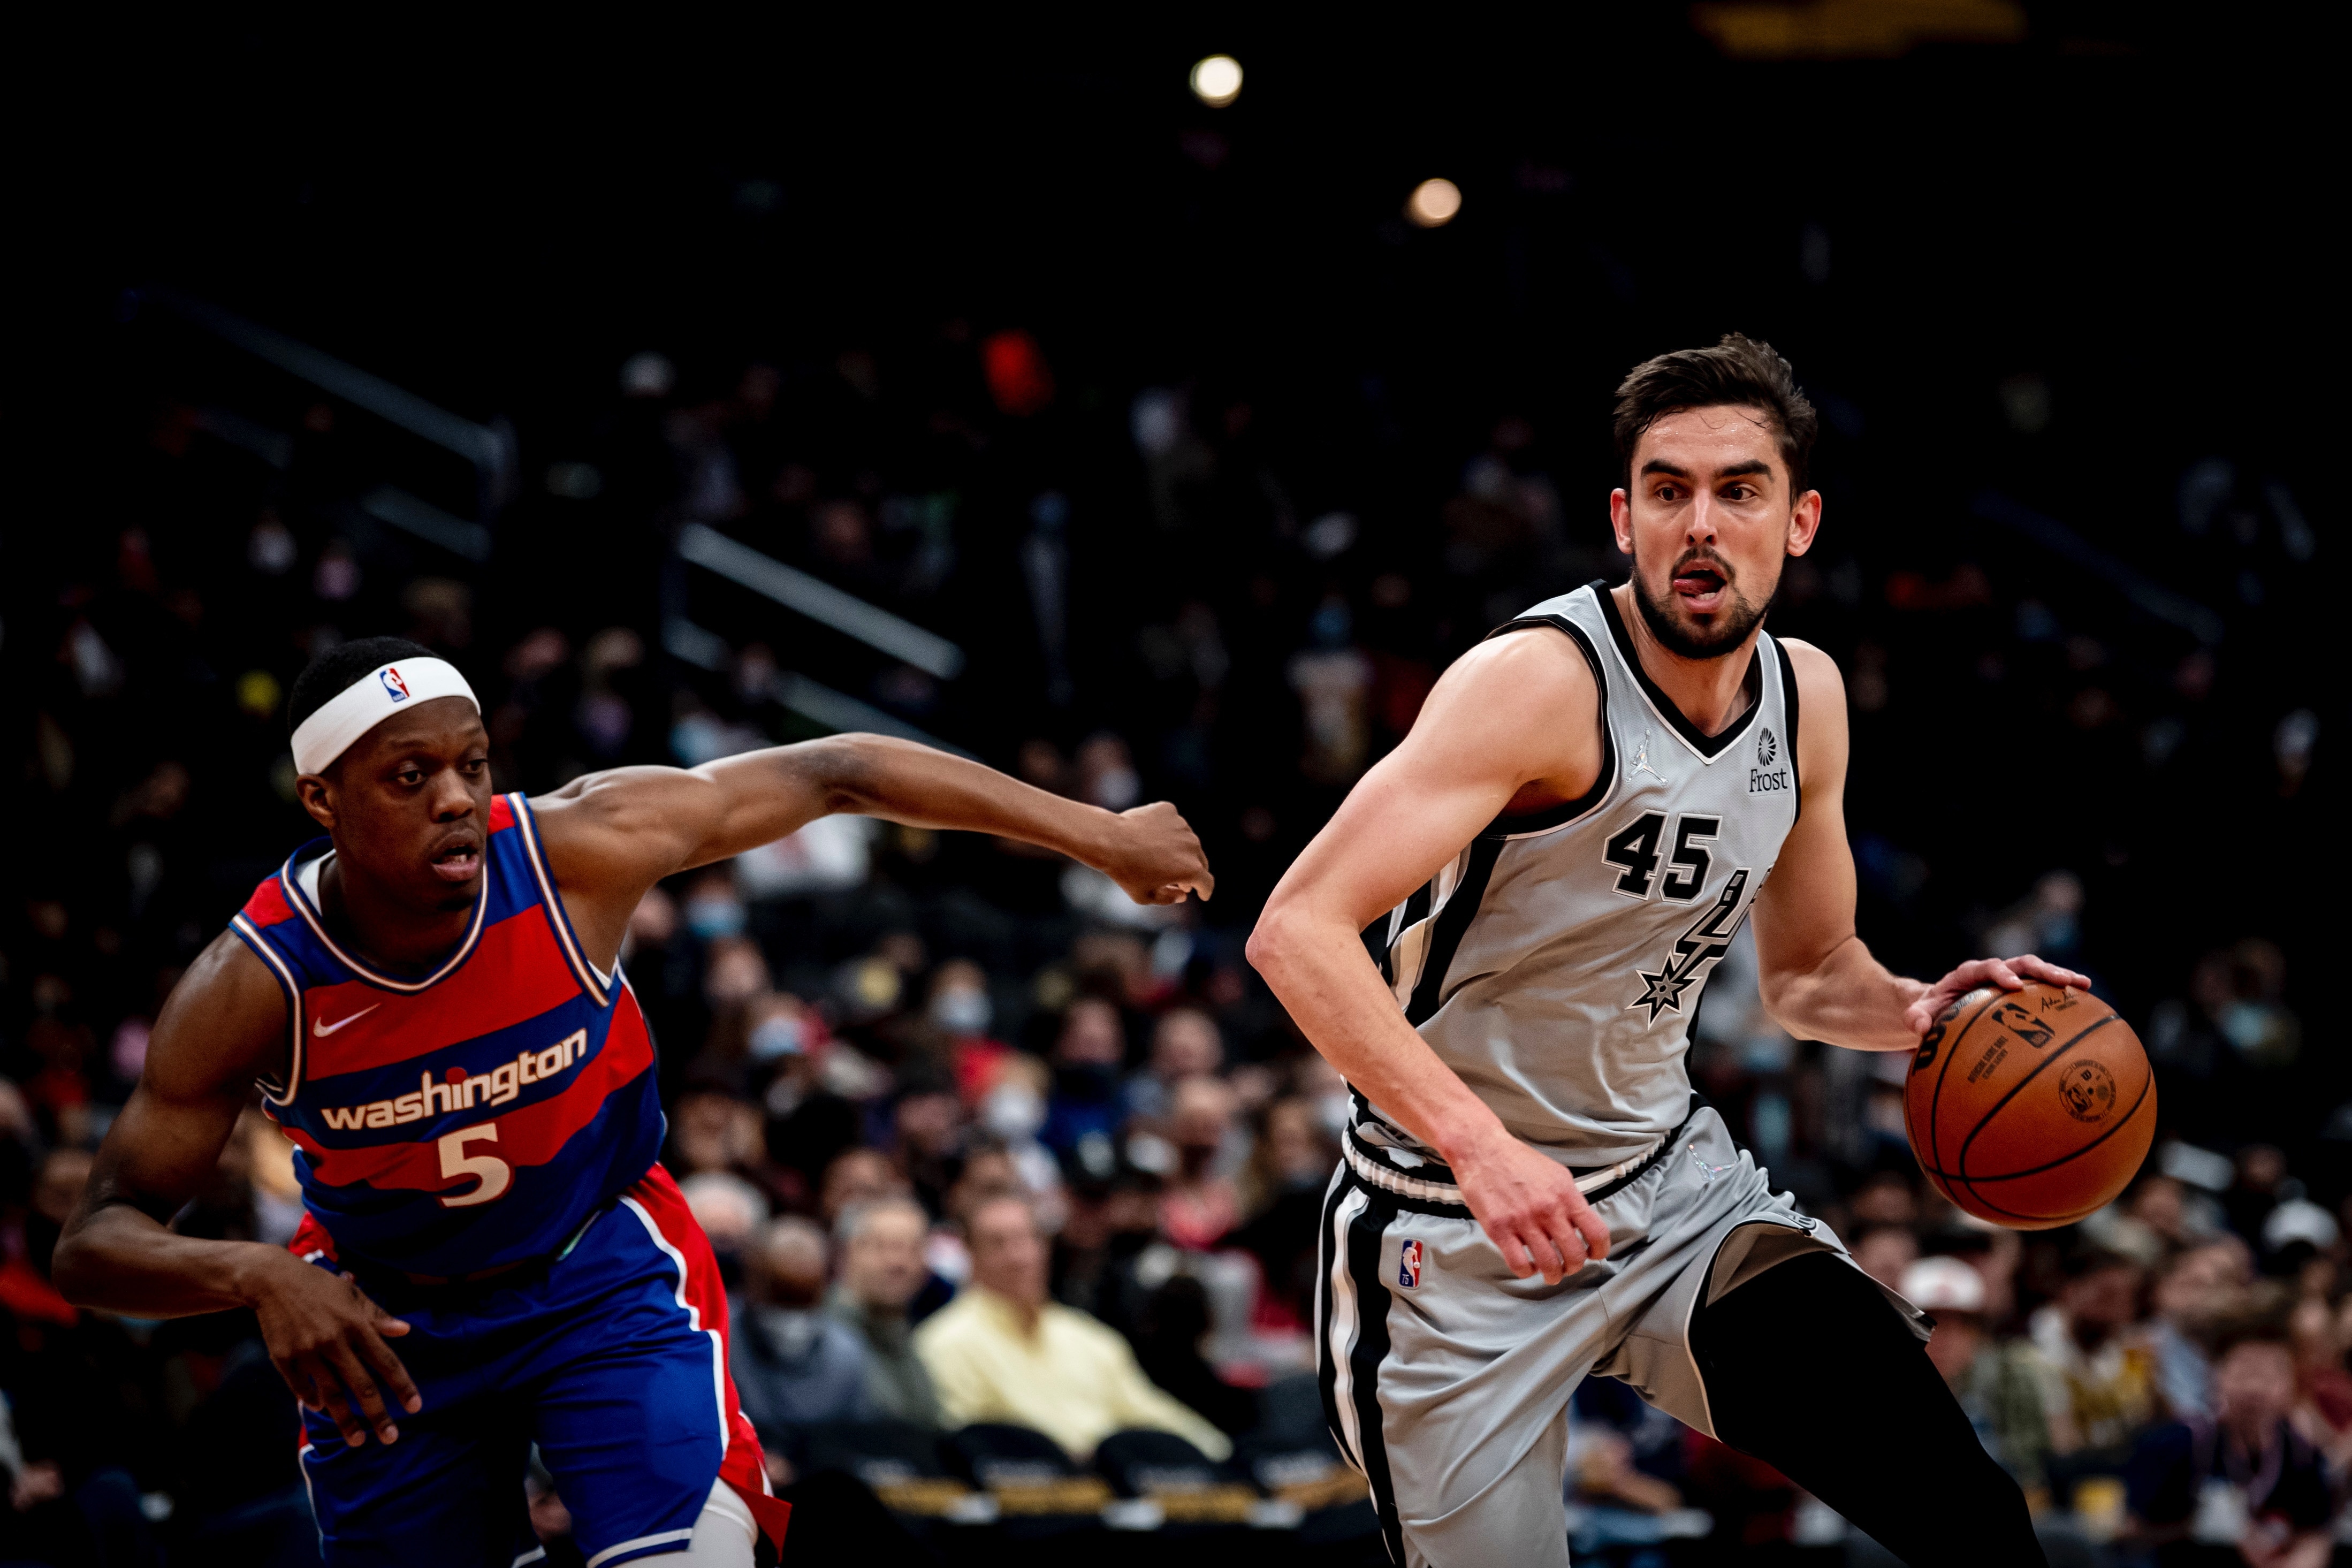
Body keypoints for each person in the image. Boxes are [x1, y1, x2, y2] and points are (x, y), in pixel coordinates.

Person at [48, 635, 1212, 1568]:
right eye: (412, 777)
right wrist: (257, 1275)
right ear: (324, 800)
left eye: (472, 762)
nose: (457, 797)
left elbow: (835, 770)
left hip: (595, 1267)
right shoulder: (253, 983)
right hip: (387, 1324)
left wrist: (1096, 835)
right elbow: (94, 1239)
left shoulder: (577, 852)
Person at [1247, 335, 2077, 1566]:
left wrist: (1919, 1012)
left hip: (1669, 1190)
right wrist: (1481, 1149)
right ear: (1620, 517)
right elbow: (1294, 931)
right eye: (1666, 489)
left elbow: (1804, 976)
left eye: (1736, 489)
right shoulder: (1535, 683)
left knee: (1966, 1514)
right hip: (1450, 1227)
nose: (1700, 523)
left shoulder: (1806, 697)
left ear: (1794, 521)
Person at [914, 1191, 1230, 1462]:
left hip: (1115, 1491)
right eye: (998, 1244)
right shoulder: (946, 1342)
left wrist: (1222, 1453)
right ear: (970, 1254)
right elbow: (972, 1440)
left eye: (1027, 1239)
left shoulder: (1091, 1338)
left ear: (1045, 1246)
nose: (1018, 1257)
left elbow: (1148, 1411)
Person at [2123, 1321, 2333, 1568]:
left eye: (2268, 1377)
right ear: (2217, 1379)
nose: (2254, 1388)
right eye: (2244, 1373)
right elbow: (2129, 1532)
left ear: (2291, 1387)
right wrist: (2194, 1527)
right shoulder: (2178, 1444)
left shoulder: (2303, 1454)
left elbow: (2315, 1535)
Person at [729, 1217, 872, 1436]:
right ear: (752, 1281)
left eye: (802, 1299)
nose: (789, 1319)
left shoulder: (847, 1354)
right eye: (780, 1296)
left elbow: (856, 1439)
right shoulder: (720, 1346)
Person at [826, 1196, 943, 1428]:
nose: (898, 1262)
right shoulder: (817, 1338)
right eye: (881, 1246)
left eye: (913, 1249)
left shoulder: (909, 1339)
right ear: (845, 1254)